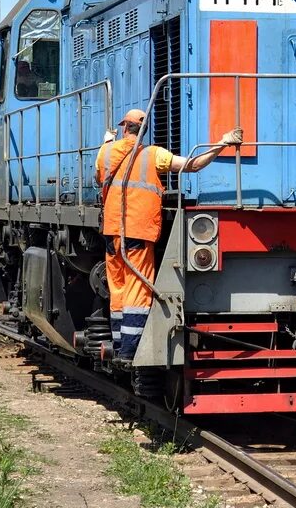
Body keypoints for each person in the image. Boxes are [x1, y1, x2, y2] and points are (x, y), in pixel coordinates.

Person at [95, 108, 242, 359]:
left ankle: (118, 344)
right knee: (137, 287)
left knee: (117, 287)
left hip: (112, 230)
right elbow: (192, 165)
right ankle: (130, 351)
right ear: (144, 130)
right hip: (138, 230)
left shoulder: (105, 152)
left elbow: (100, 174)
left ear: (123, 128)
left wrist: (108, 141)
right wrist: (221, 143)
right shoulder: (154, 155)